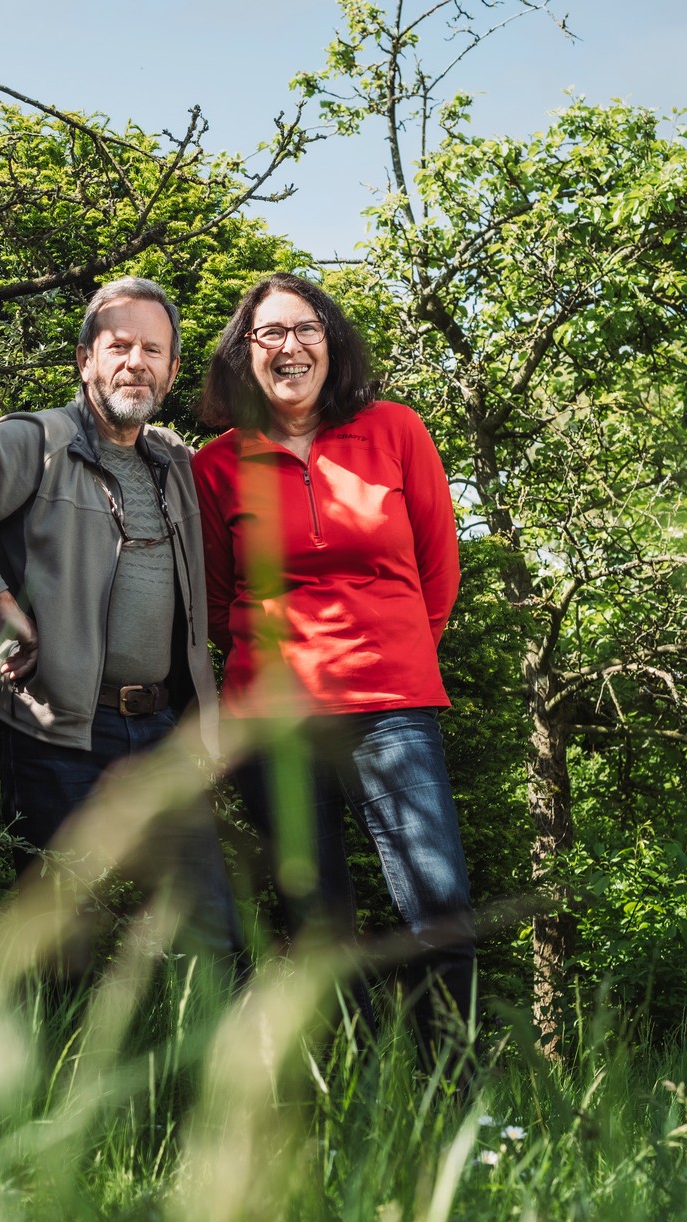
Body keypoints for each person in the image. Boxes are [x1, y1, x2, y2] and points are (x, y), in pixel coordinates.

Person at [0, 276, 235, 953]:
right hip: (58, 730)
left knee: (211, 929)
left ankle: (198, 1061)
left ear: (170, 372)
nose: (134, 361)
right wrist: (2, 607)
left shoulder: (176, 462)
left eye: (152, 349)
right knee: (60, 941)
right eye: (117, 345)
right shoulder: (38, 439)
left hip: (164, 731)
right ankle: (58, 1059)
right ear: (85, 359)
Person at [192, 271, 475, 1055]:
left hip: (391, 708)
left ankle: (450, 1101)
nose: (290, 346)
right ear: (243, 356)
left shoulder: (396, 431)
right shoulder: (215, 467)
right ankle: (358, 1097)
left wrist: (393, 653)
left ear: (333, 343)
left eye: (306, 329)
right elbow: (217, 604)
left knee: (439, 911)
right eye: (270, 334)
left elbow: (438, 571)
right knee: (320, 931)